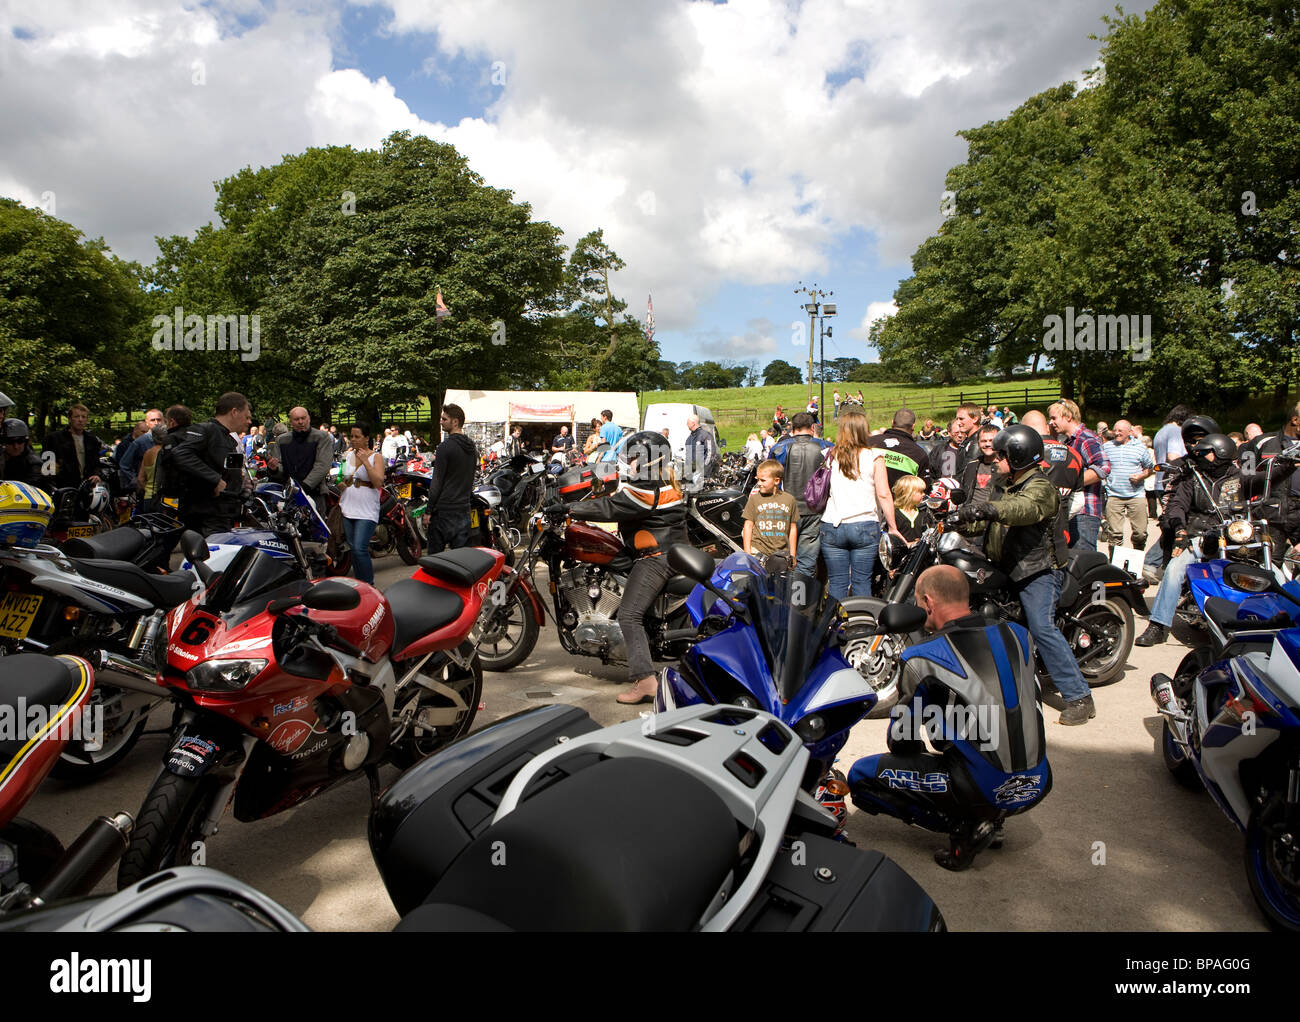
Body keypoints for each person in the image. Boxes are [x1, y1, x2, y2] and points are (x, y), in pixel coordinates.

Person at [848, 565, 1050, 871]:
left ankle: (966, 828)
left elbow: (902, 744)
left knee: (860, 778)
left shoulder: (922, 657)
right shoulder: (1020, 634)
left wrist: (935, 726)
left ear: (929, 602)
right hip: (1039, 783)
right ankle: (994, 817)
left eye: (918, 603)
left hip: (980, 785)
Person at [953, 425, 1094, 725]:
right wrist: (960, 520)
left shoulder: (1041, 487)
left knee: (1041, 626)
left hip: (1037, 569)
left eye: (1001, 455)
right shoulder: (1003, 483)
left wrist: (988, 509)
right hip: (1005, 563)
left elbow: (1022, 509)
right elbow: (987, 523)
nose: (994, 459)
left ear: (1015, 457)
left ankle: (1079, 696)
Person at [558, 431, 687, 705]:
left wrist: (569, 509)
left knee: (629, 615)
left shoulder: (649, 487)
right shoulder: (663, 480)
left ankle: (645, 682)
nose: (629, 463)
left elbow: (612, 507)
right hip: (665, 550)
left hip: (656, 557)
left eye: (633, 458)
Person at [1137, 434, 1245, 646]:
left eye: (1205, 452)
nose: (1200, 456)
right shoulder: (1193, 478)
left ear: (1221, 453)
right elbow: (1177, 505)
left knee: (1269, 570)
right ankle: (1158, 625)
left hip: (1232, 536)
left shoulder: (1240, 478)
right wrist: (1180, 529)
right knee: (1174, 570)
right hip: (1199, 536)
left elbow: (1265, 483)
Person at [820, 409, 903, 601]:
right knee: (861, 582)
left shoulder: (829, 455)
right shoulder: (875, 456)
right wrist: (893, 527)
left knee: (837, 582)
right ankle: (861, 624)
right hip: (865, 524)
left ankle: (835, 624)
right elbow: (883, 494)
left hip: (832, 524)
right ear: (864, 430)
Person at [169, 392, 254, 536]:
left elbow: (231, 473)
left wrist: (243, 484)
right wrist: (214, 479)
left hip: (224, 513)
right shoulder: (206, 430)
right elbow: (180, 453)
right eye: (246, 416)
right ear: (234, 412)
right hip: (207, 515)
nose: (249, 421)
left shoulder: (229, 439)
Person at [772, 411, 833, 579]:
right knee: (807, 561)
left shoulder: (779, 447)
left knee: (783, 557)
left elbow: (770, 476)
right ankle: (800, 599)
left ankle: (782, 597)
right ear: (812, 427)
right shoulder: (826, 447)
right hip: (815, 510)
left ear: (792, 428)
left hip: (786, 509)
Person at [1048, 399, 1109, 552]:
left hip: (1085, 513)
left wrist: (1071, 482)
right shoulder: (1068, 442)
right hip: (1072, 512)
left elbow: (1103, 467)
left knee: (1082, 562)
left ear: (1068, 416)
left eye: (1054, 418)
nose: (1051, 422)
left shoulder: (1086, 438)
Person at [335, 422, 385, 585]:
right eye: (352, 436)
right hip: (348, 505)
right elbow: (342, 476)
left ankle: (368, 584)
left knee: (359, 547)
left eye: (357, 437)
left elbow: (378, 482)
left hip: (366, 508)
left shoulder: (375, 457)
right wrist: (341, 484)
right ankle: (360, 584)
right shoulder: (348, 455)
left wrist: (366, 462)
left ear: (366, 438)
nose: (353, 440)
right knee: (353, 548)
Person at [426, 403, 479, 552]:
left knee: (434, 564)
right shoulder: (471, 448)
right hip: (463, 510)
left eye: (444, 419)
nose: (441, 421)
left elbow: (436, 482)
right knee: (460, 563)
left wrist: (429, 511)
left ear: (455, 422)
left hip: (444, 512)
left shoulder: (445, 447)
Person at [1101, 419, 1156, 552]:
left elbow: (1150, 468)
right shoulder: (1107, 447)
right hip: (1114, 495)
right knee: (1114, 534)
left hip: (1136, 495)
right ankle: (1115, 566)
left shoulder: (1140, 447)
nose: (1117, 433)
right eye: (1115, 430)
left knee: (1140, 533)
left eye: (1120, 431)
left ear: (1130, 432)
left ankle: (1136, 561)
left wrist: (1141, 476)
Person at [742, 459, 797, 572]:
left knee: (779, 586)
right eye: (758, 479)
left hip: (781, 554)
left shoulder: (789, 499)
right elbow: (748, 526)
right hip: (758, 552)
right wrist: (747, 553)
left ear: (776, 481)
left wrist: (793, 554)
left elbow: (792, 528)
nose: (759, 483)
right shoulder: (754, 499)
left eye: (763, 480)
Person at [269, 406, 335, 501]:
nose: (300, 422)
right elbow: (279, 465)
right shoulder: (282, 440)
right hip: (289, 493)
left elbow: (322, 465)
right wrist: (274, 469)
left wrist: (304, 487)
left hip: (314, 493)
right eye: (296, 419)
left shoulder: (322, 437)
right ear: (290, 422)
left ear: (309, 419)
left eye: (303, 418)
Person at [139, 405, 192, 512]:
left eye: (165, 422)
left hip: (165, 497)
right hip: (190, 496)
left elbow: (143, 478)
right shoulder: (194, 437)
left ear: (172, 421)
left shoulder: (168, 442)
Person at [43, 403, 108, 491]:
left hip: (87, 486)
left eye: (83, 417)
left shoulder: (92, 440)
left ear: (87, 420)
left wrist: (96, 475)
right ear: (70, 418)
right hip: (63, 487)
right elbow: (47, 468)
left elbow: (96, 463)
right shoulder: (53, 439)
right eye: (77, 416)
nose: (80, 420)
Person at [867, 407, 931, 488]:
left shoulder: (868, 442)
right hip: (901, 500)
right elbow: (924, 487)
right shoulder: (920, 454)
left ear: (892, 422)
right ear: (913, 426)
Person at [117, 408, 163, 494]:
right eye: (153, 420)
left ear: (163, 421)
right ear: (147, 423)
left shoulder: (169, 439)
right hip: (146, 489)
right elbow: (124, 464)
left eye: (159, 420)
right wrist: (136, 480)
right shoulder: (139, 442)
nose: (156, 423)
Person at [959, 424, 1002, 504]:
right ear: (978, 443)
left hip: (994, 513)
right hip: (970, 513)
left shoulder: (1006, 468)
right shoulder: (971, 466)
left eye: (991, 440)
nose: (987, 444)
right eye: (983, 441)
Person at [892, 475, 933, 544]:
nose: (924, 494)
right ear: (909, 493)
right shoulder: (894, 515)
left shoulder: (924, 514)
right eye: (921, 492)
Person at [1, 419, 43, 485]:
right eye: (10, 442)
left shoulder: (33, 463)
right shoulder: (2, 458)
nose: (16, 446)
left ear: (26, 442)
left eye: (20, 441)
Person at [683, 414, 719, 483]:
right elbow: (688, 457)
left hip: (703, 474)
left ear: (693, 423)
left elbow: (710, 454)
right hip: (692, 474)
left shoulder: (705, 435)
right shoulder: (689, 439)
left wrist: (704, 470)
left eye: (688, 422)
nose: (686, 424)